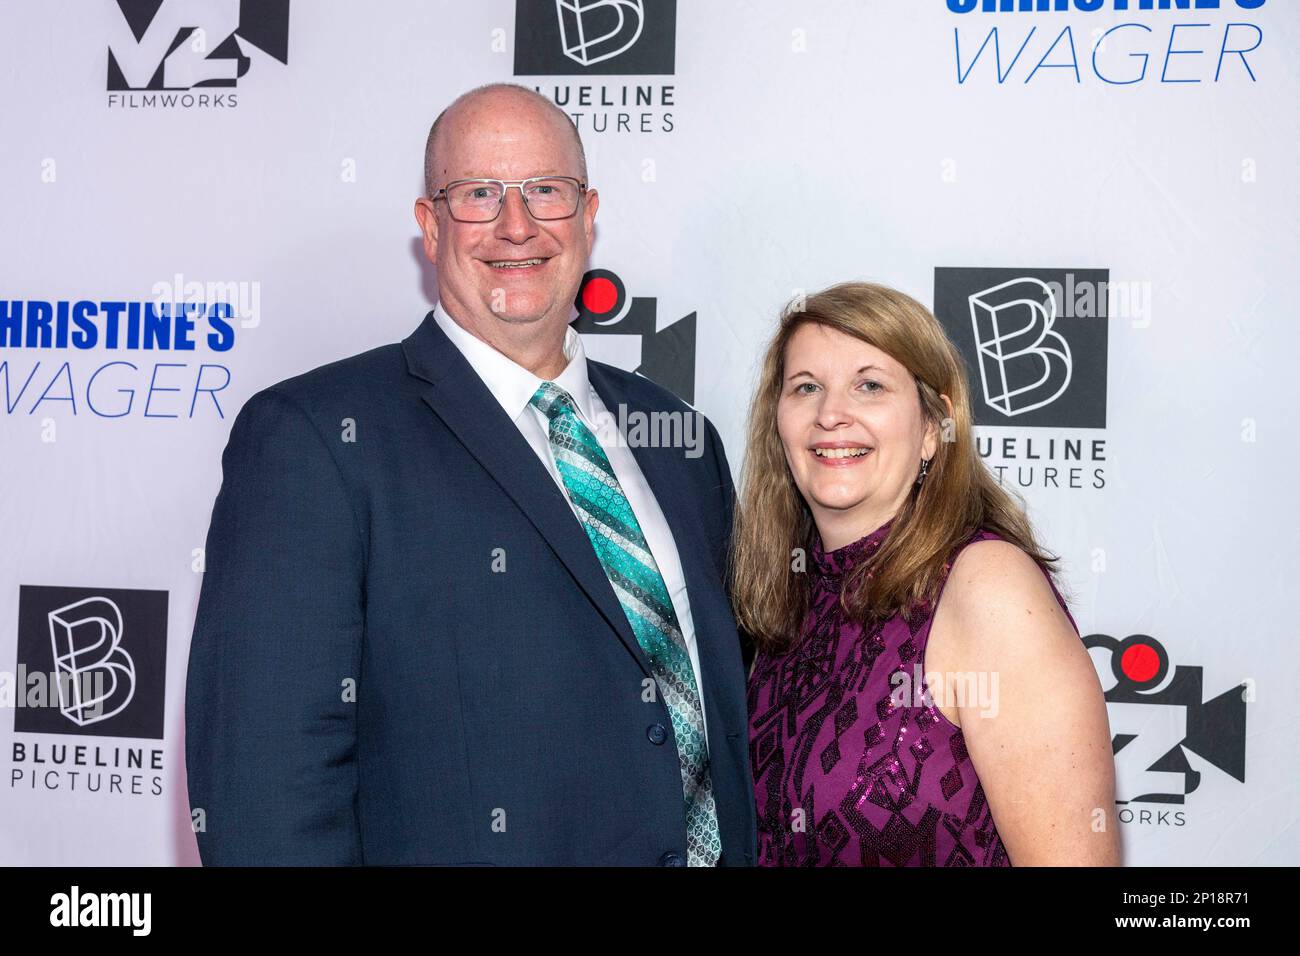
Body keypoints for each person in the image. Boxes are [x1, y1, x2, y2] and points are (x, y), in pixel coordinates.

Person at [185, 83, 756, 866]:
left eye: (545, 192)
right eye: (479, 194)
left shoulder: (681, 441)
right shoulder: (314, 441)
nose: (516, 225)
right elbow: (262, 792)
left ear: (588, 215)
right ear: (430, 224)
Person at [733, 282, 1121, 866]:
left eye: (870, 386)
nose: (831, 413)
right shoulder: (780, 602)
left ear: (934, 430)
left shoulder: (985, 584)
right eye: (806, 387)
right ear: (779, 424)